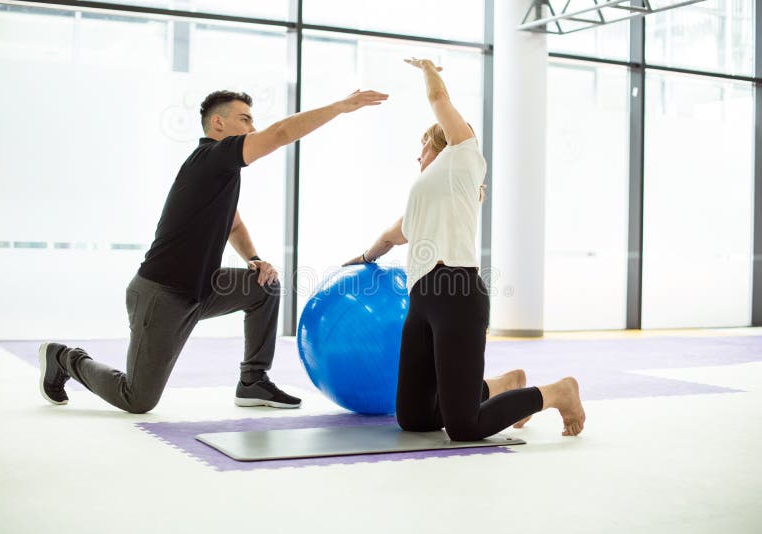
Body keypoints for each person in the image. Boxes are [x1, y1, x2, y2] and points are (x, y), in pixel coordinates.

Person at [39, 88, 388, 414]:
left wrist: (254, 260)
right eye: (245, 119)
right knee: (138, 399)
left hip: (203, 288)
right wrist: (339, 107)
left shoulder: (222, 172)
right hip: (162, 294)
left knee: (265, 286)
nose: (254, 127)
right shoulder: (211, 157)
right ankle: (65, 358)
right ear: (218, 123)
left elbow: (234, 224)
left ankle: (253, 380)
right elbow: (280, 135)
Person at [344, 58, 585, 440]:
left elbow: (439, 98)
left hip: (457, 292)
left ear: (441, 144)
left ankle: (556, 392)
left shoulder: (463, 158)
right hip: (421, 301)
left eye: (422, 147)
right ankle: (503, 384)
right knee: (414, 418)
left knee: (463, 426)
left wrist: (427, 68)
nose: (417, 156)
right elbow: (391, 236)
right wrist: (361, 259)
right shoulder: (424, 200)